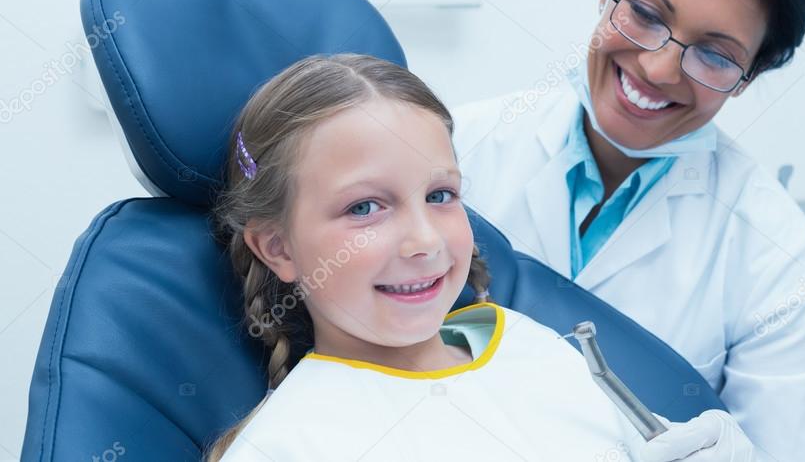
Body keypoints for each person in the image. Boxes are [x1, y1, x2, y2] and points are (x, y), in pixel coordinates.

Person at [452, 0, 805, 461]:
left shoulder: (774, 251)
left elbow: (790, 451)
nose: (659, 69)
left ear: (750, 77)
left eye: (715, 55)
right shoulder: (457, 151)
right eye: (646, 13)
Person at [205, 53, 754, 461]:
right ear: (278, 247)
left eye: (440, 195)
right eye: (366, 207)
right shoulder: (292, 444)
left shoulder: (525, 341)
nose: (424, 240)